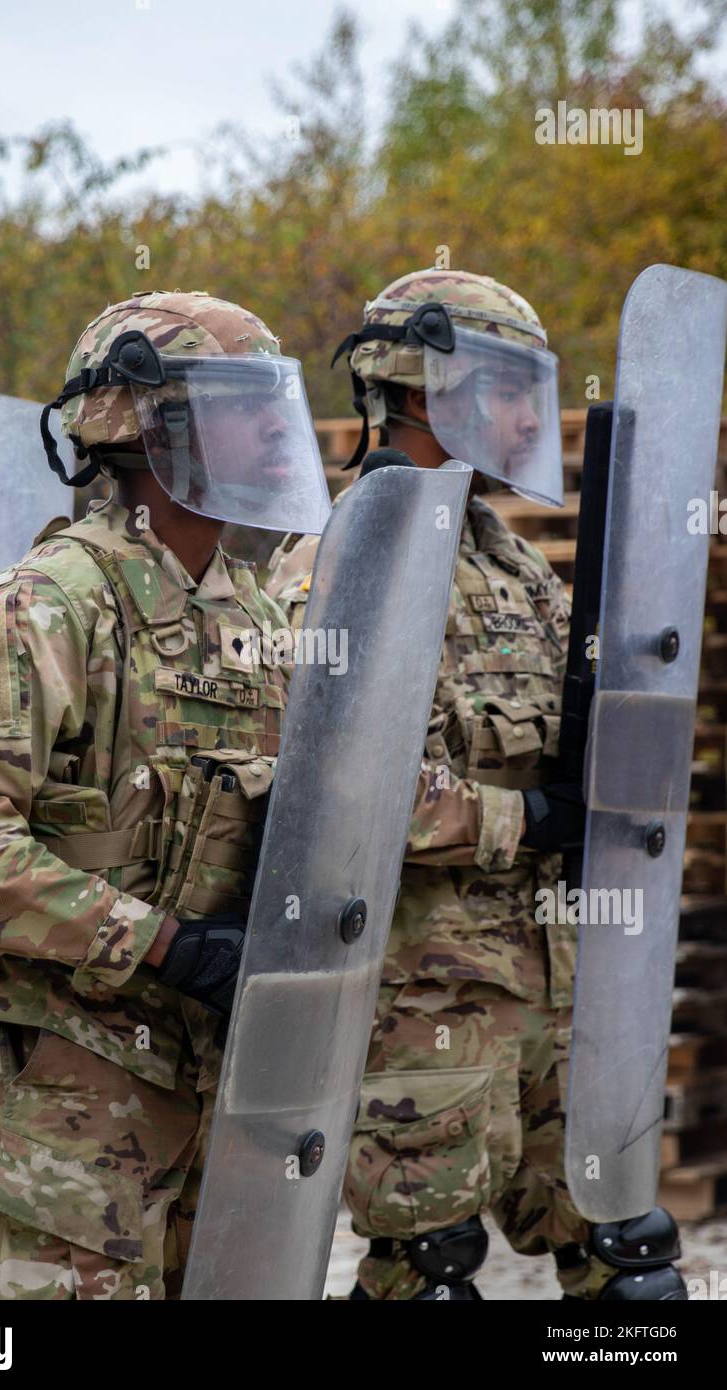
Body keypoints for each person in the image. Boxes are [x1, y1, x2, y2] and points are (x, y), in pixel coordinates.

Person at [0, 290, 330, 1299]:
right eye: (243, 402)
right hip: (73, 1123)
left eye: (278, 403)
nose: (275, 427)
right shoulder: (52, 603)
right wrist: (163, 946)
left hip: (227, 1098)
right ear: (148, 425)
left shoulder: (256, 611)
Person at [267, 266, 687, 1301]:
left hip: (557, 999)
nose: (521, 415)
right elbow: (339, 787)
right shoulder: (335, 562)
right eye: (502, 386)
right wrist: (523, 820)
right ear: (416, 389)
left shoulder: (509, 564)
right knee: (428, 1275)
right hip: (419, 1007)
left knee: (629, 1261)